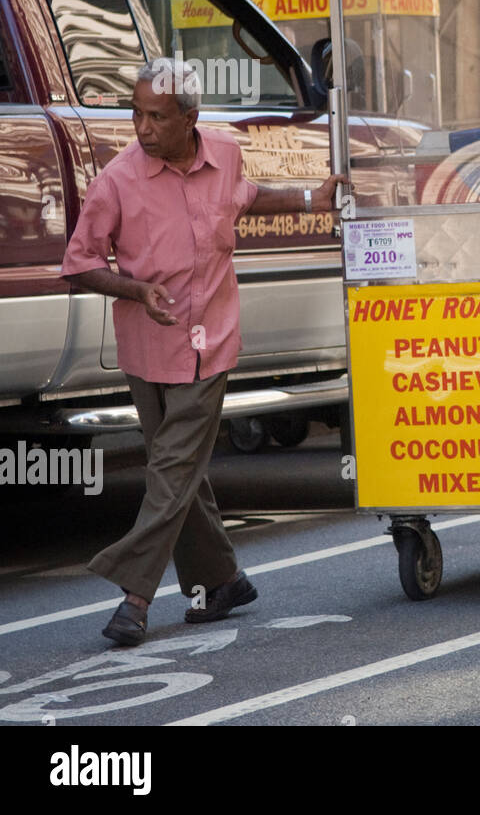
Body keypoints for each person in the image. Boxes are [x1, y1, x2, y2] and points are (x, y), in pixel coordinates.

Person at [61, 58, 347, 645]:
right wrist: (137, 289)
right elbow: (79, 263)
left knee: (169, 471)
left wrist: (308, 197)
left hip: (208, 342)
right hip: (147, 348)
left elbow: (242, 198)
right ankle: (222, 580)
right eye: (135, 114)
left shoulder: (225, 153)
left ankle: (135, 598)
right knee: (181, 469)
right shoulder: (117, 180)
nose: (142, 128)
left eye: (156, 117)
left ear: (190, 119)